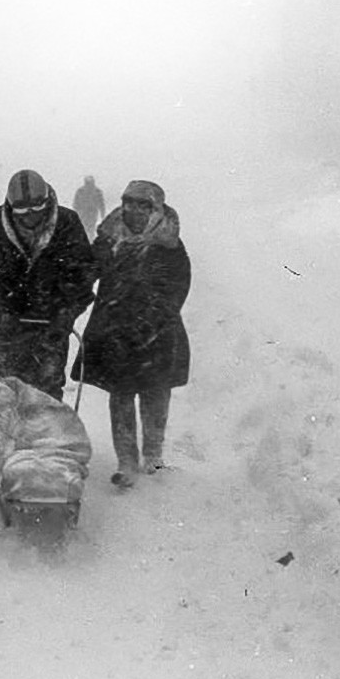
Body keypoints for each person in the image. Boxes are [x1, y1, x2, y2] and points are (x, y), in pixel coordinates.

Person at [70, 179, 191, 488]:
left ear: (156, 208)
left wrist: (150, 322)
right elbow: (86, 273)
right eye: (129, 202)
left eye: (143, 204)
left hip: (158, 332)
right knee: (121, 396)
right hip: (115, 330)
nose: (134, 210)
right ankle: (126, 461)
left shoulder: (170, 246)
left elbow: (176, 288)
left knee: (156, 394)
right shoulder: (108, 240)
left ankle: (153, 457)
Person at [0, 169, 96, 402]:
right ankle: (14, 437)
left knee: (48, 394)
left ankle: (46, 436)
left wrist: (67, 312)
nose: (30, 217)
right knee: (9, 391)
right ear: (10, 206)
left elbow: (84, 272)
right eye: (22, 211)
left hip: (52, 326)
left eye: (37, 208)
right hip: (8, 326)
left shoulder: (67, 222)